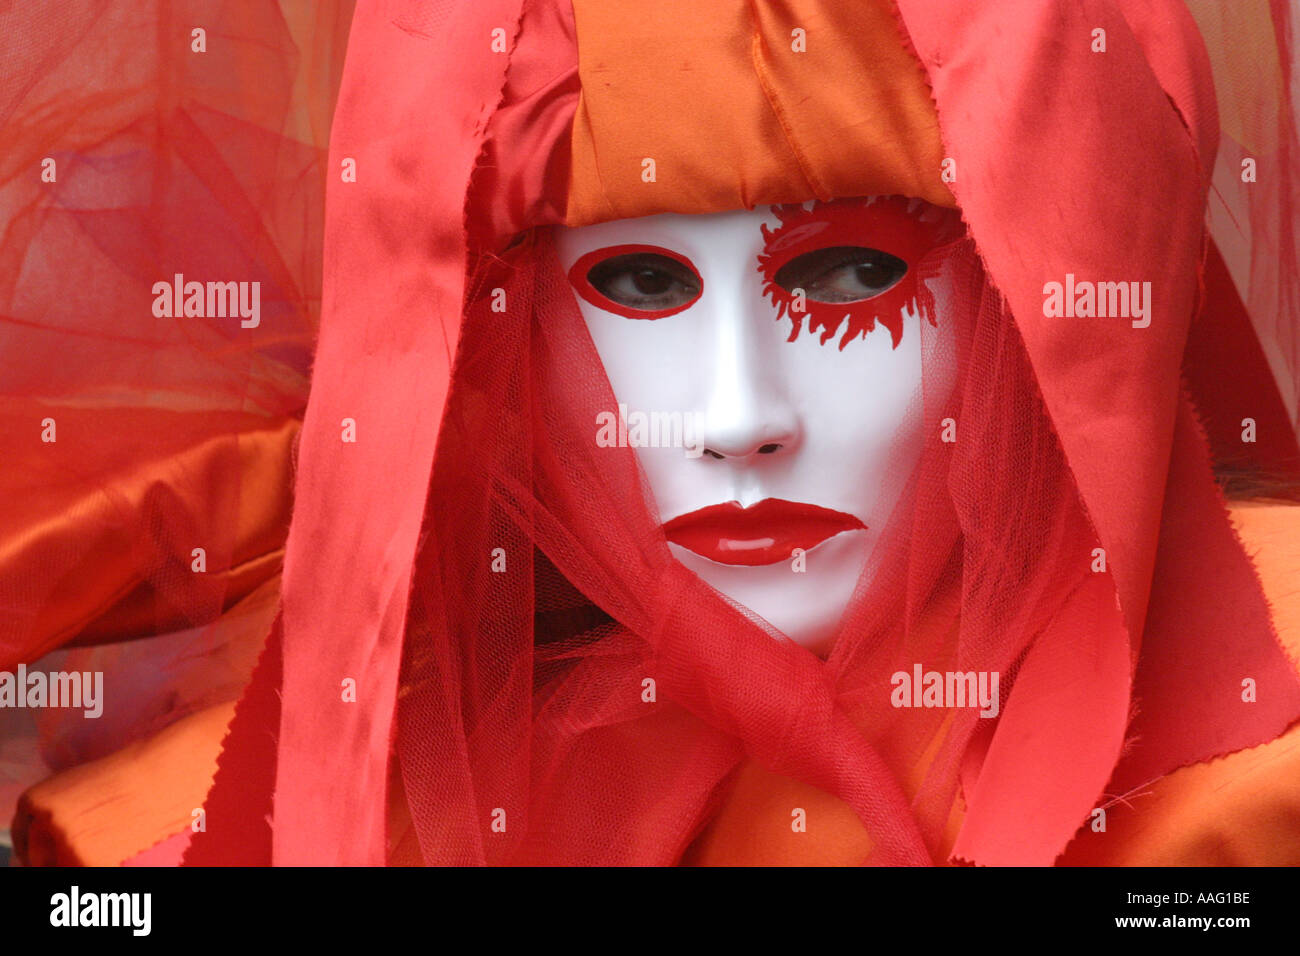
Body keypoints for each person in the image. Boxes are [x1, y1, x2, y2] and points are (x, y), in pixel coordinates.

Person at [10, 0, 1300, 866]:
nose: (738, 420)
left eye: (854, 277)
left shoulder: (1250, 774)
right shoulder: (443, 767)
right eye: (634, 286)